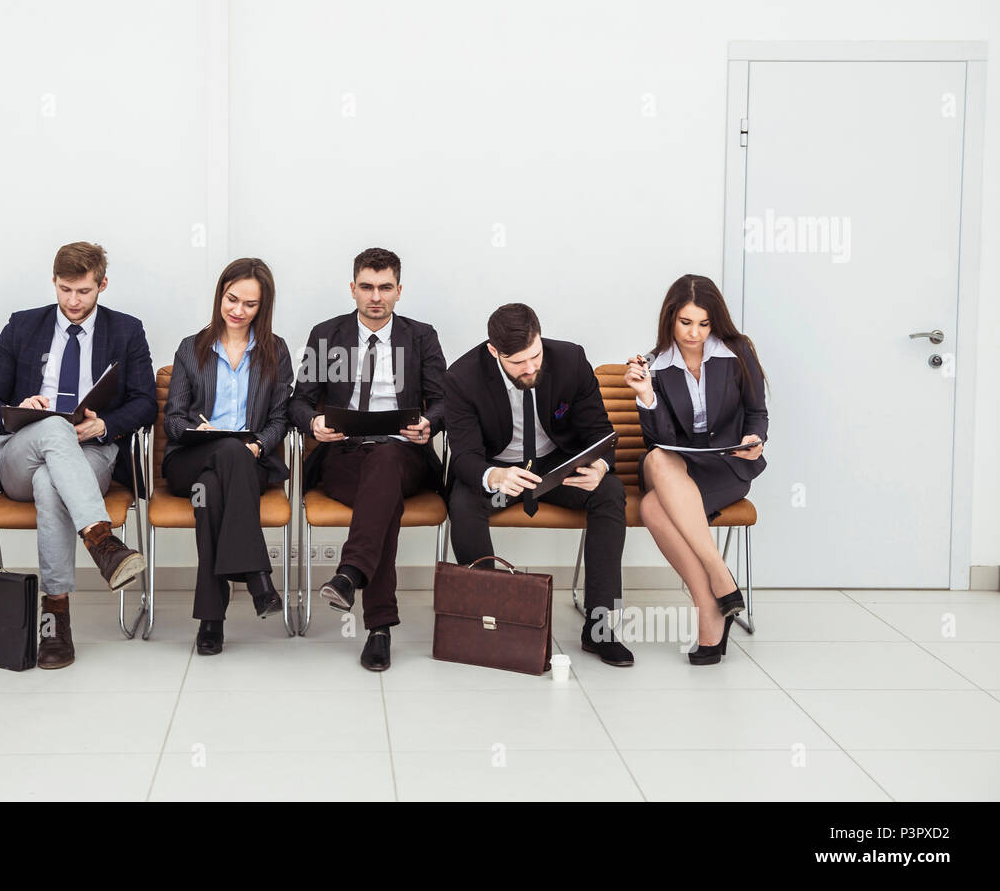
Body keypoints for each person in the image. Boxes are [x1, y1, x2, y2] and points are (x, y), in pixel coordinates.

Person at [0, 242, 157, 669]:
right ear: (54, 282)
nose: (73, 302)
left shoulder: (126, 330)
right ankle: (102, 540)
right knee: (53, 427)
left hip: (90, 451)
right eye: (65, 289)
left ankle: (55, 617)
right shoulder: (22, 327)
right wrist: (22, 407)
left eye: (84, 291)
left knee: (50, 485)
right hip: (21, 454)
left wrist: (104, 425)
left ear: (102, 285)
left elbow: (146, 403)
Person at [444, 303, 633, 667]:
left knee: (609, 490)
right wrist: (494, 476)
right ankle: (492, 623)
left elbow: (599, 432)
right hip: (498, 468)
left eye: (535, 355)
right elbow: (465, 455)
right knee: (464, 503)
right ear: (494, 351)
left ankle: (601, 628)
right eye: (518, 362)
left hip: (555, 464)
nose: (530, 368)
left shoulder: (570, 359)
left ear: (540, 338)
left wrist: (600, 464)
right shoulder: (462, 377)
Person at [289, 247, 446, 671]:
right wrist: (315, 423)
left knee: (388, 463)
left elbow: (446, 400)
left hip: (404, 453)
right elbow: (297, 403)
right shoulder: (326, 335)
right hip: (343, 456)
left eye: (385, 288)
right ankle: (378, 627)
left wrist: (429, 422)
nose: (375, 297)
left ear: (399, 291)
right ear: (353, 288)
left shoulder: (421, 336)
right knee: (383, 494)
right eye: (367, 287)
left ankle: (352, 576)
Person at [623, 274, 768, 666]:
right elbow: (661, 441)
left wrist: (756, 439)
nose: (695, 333)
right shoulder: (654, 364)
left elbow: (757, 412)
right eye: (686, 322)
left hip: (726, 466)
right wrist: (646, 396)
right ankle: (719, 581)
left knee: (652, 508)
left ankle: (709, 606)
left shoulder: (737, 351)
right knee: (655, 458)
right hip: (676, 467)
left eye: (704, 324)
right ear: (671, 318)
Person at [161, 258, 294, 654]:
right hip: (190, 457)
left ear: (262, 307)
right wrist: (195, 431)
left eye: (249, 305)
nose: (238, 311)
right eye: (231, 299)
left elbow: (280, 418)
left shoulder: (276, 351)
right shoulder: (192, 348)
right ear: (221, 294)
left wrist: (258, 446)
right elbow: (172, 420)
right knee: (221, 459)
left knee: (212, 491)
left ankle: (211, 620)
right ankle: (256, 577)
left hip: (246, 463)